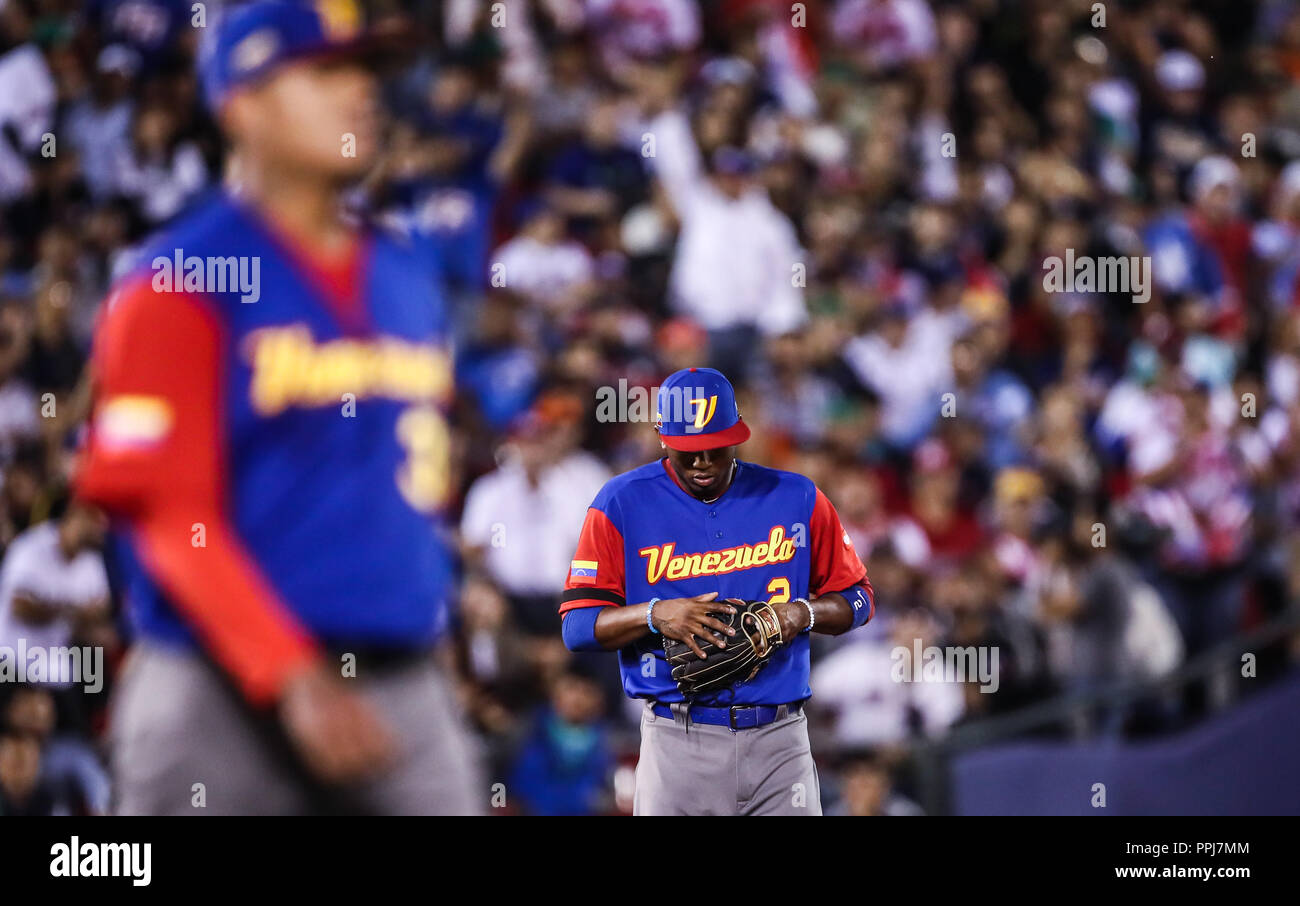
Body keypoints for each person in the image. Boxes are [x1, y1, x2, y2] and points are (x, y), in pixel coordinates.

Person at [74, 0, 481, 815]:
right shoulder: (178, 282)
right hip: (215, 690)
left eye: (366, 72)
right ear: (241, 105)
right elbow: (169, 516)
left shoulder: (404, 275)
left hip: (401, 683)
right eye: (326, 72)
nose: (361, 93)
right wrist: (289, 674)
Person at [558, 367, 875, 815]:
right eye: (689, 452)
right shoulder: (620, 503)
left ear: (737, 435)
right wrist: (654, 615)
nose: (703, 462)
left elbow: (858, 598)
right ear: (662, 438)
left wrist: (799, 615)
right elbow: (577, 626)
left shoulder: (796, 498)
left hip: (780, 741)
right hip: (677, 741)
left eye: (714, 448)